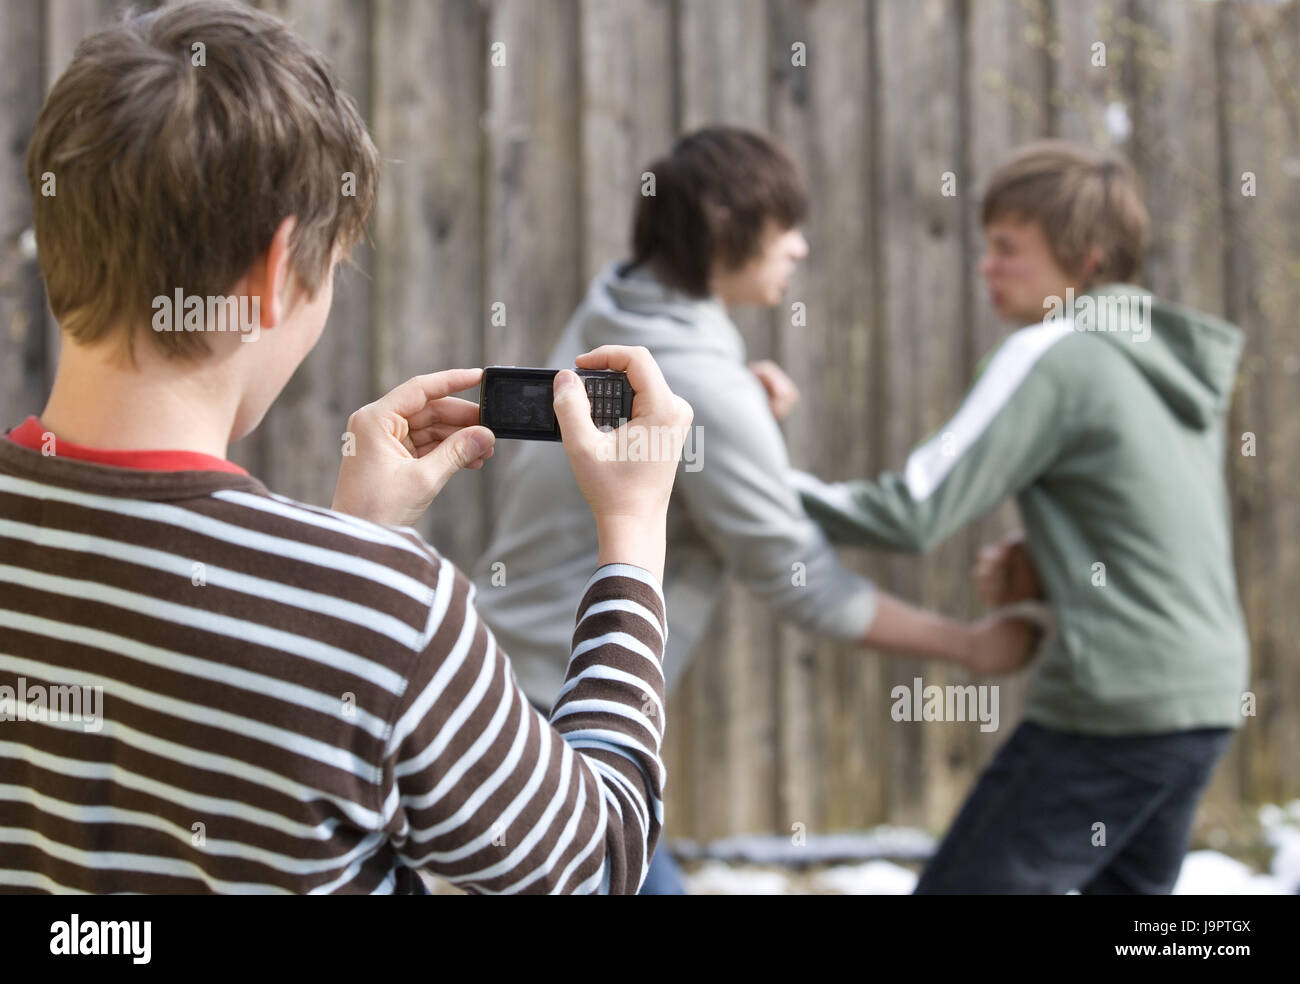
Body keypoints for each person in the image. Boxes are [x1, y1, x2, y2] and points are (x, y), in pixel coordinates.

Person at [0, 0, 695, 894]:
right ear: (272, 269)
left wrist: (350, 541)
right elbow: (599, 858)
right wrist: (634, 541)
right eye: (329, 271)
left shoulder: (362, 604)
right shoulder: (391, 616)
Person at [470, 126, 1035, 894]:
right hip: (561, 708)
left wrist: (737, 418)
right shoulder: (701, 381)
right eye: (787, 226)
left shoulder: (619, 309)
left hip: (513, 678)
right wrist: (968, 646)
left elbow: (688, 446)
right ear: (729, 228)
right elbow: (803, 583)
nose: (800, 247)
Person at [792, 140, 1249, 893]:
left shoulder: (1055, 352)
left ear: (1086, 259)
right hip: (1204, 694)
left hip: (1118, 704)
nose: (986, 267)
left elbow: (913, 512)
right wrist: (1049, 558)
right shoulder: (1160, 359)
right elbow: (1148, 520)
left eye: (1008, 249)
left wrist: (763, 486)